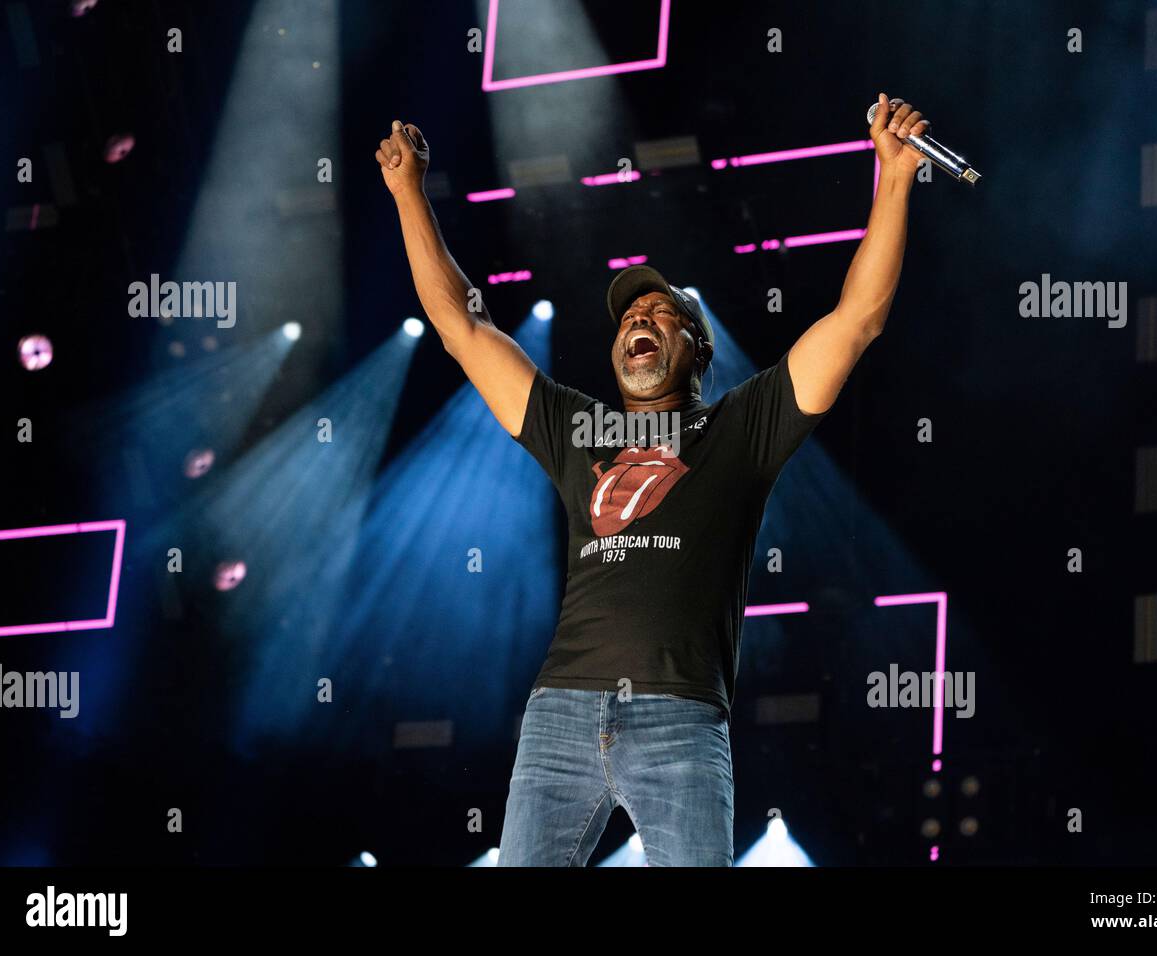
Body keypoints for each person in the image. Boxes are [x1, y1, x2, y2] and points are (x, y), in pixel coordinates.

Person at [374, 93, 927, 866]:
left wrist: (893, 177)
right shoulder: (573, 428)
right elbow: (464, 327)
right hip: (559, 714)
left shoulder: (742, 425)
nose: (638, 318)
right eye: (628, 315)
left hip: (681, 722)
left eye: (659, 311)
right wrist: (408, 194)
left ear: (694, 346)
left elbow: (857, 318)